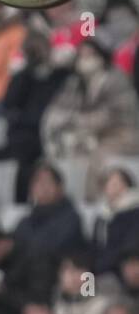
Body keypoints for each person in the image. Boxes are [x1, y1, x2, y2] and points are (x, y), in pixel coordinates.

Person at [41, 38, 139, 200]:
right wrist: (62, 121)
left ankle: (92, 201)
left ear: (101, 56)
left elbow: (114, 114)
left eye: (90, 54)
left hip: (124, 134)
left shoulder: (115, 78)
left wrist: (78, 122)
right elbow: (58, 109)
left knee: (97, 156)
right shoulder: (75, 83)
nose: (86, 59)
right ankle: (66, 198)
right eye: (82, 55)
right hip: (93, 134)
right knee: (63, 149)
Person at [0, 29, 72, 202]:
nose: (37, 53)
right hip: (25, 137)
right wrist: (27, 70)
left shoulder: (61, 76)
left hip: (55, 131)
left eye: (40, 48)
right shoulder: (22, 78)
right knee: (19, 161)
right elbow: (9, 103)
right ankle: (22, 203)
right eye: (32, 50)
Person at [11, 161, 84, 265]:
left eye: (48, 182)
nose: (42, 187)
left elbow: (50, 250)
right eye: (37, 182)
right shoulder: (25, 222)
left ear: (60, 188)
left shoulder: (71, 219)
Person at [95, 164, 139, 276]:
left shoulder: (135, 211)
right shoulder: (103, 215)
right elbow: (95, 244)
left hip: (124, 269)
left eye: (116, 183)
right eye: (108, 183)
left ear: (127, 186)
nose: (111, 187)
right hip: (101, 267)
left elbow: (129, 245)